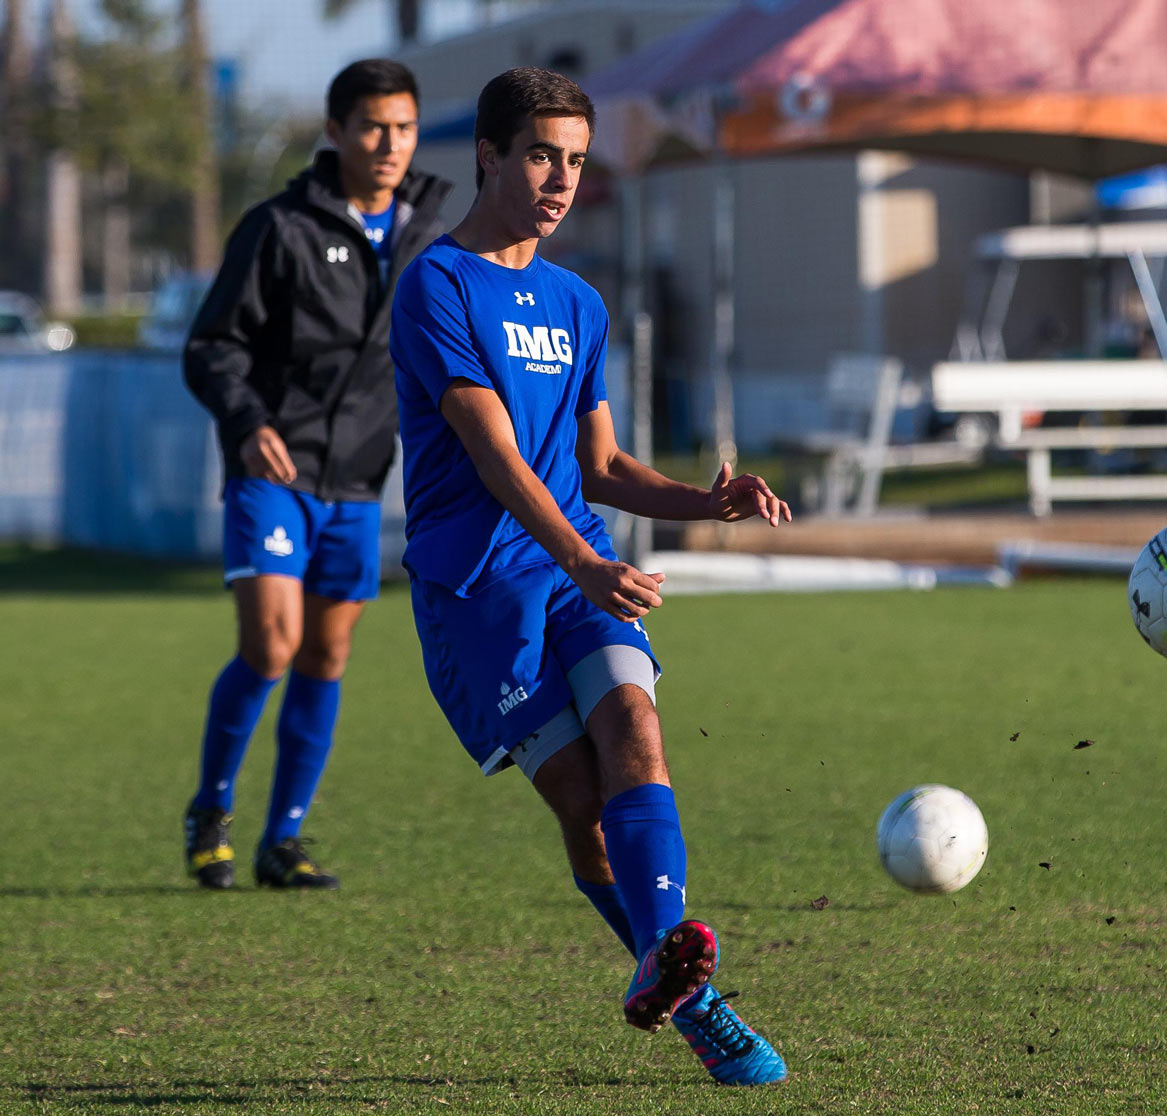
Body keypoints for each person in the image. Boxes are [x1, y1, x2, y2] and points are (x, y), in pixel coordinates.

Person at [389, 67, 790, 1087]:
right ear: (487, 154)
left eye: (574, 158)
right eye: (539, 154)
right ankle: (692, 1002)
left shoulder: (576, 301)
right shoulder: (437, 285)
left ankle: (671, 974)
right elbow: (492, 452)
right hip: (480, 589)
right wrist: (586, 556)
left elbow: (603, 469)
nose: (561, 177)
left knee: (637, 731)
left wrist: (711, 502)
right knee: (583, 808)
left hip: (576, 568)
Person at [182, 59, 451, 890]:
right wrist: (248, 420)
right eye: (373, 126)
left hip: (360, 480)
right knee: (271, 644)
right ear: (335, 132)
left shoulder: (427, 236)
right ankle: (211, 811)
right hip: (273, 469)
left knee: (326, 656)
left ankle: (283, 841)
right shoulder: (279, 228)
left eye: (404, 127)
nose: (390, 144)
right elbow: (210, 346)